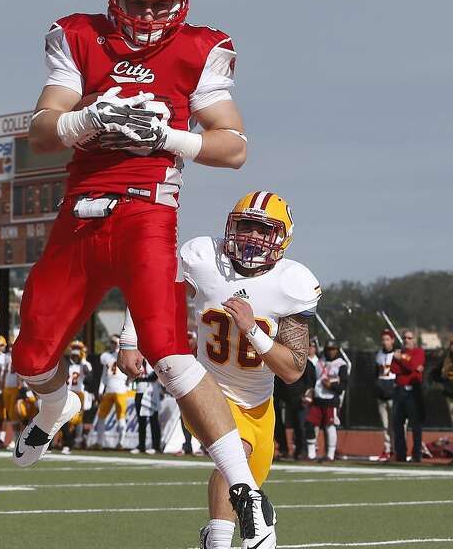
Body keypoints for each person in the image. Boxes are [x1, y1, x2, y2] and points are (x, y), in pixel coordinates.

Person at [9, 0, 274, 546]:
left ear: (181, 2)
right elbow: (42, 128)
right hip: (79, 213)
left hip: (146, 213)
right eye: (138, 3)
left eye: (162, 6)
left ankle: (243, 490)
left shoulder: (200, 49)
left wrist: (171, 139)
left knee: (165, 345)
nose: (151, 18)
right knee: (31, 357)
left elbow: (234, 146)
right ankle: (55, 410)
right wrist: (86, 121)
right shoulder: (78, 36)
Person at [121, 191, 319, 549]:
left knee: (245, 480)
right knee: (237, 456)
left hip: (259, 403)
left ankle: (213, 536)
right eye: (246, 226)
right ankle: (220, 543)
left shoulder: (293, 282)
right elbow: (151, 287)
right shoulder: (204, 257)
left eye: (262, 230)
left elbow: (292, 370)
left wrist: (253, 331)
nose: (251, 237)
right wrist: (129, 339)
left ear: (281, 239)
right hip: (207, 389)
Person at [306, 340, 348, 462]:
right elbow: (313, 380)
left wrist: (331, 386)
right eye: (329, 349)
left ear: (337, 350)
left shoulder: (341, 364)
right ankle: (311, 453)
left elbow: (343, 385)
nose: (331, 351)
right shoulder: (319, 362)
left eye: (333, 349)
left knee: (330, 426)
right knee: (310, 424)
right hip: (318, 399)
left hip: (331, 400)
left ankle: (330, 454)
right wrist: (310, 392)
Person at [390, 331, 425, 462]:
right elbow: (394, 369)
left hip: (413, 391)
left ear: (414, 340)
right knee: (397, 423)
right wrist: (409, 365)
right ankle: (401, 454)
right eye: (404, 338)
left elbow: (412, 366)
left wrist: (402, 359)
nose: (406, 340)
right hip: (399, 391)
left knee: (415, 424)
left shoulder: (418, 352)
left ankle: (416, 454)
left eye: (409, 338)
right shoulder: (399, 352)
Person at [95, 335, 131, 449]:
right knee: (101, 416)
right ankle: (99, 442)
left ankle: (121, 442)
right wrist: (101, 389)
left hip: (121, 390)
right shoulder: (106, 356)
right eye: (111, 342)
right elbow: (104, 375)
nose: (112, 344)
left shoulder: (123, 355)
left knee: (121, 416)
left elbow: (132, 371)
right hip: (109, 389)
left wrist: (128, 387)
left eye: (114, 342)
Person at [62, 341, 92, 454]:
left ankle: (76, 440)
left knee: (76, 419)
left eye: (76, 355)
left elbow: (89, 377)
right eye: (73, 355)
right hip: (68, 393)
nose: (74, 357)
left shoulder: (85, 365)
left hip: (79, 394)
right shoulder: (68, 365)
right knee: (65, 418)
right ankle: (69, 441)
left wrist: (83, 359)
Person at [373, 330, 397, 462]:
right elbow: (376, 373)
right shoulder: (379, 355)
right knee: (385, 424)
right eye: (383, 339)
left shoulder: (397, 354)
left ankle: (397, 448)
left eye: (387, 339)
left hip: (393, 394)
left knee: (396, 424)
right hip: (381, 394)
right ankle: (387, 449)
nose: (385, 342)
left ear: (392, 340)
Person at [129, 358, 161, 455]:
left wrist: (142, 379)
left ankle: (156, 446)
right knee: (141, 420)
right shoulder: (137, 362)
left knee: (153, 419)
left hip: (151, 393)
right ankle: (141, 445)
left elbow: (154, 375)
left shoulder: (152, 360)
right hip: (140, 391)